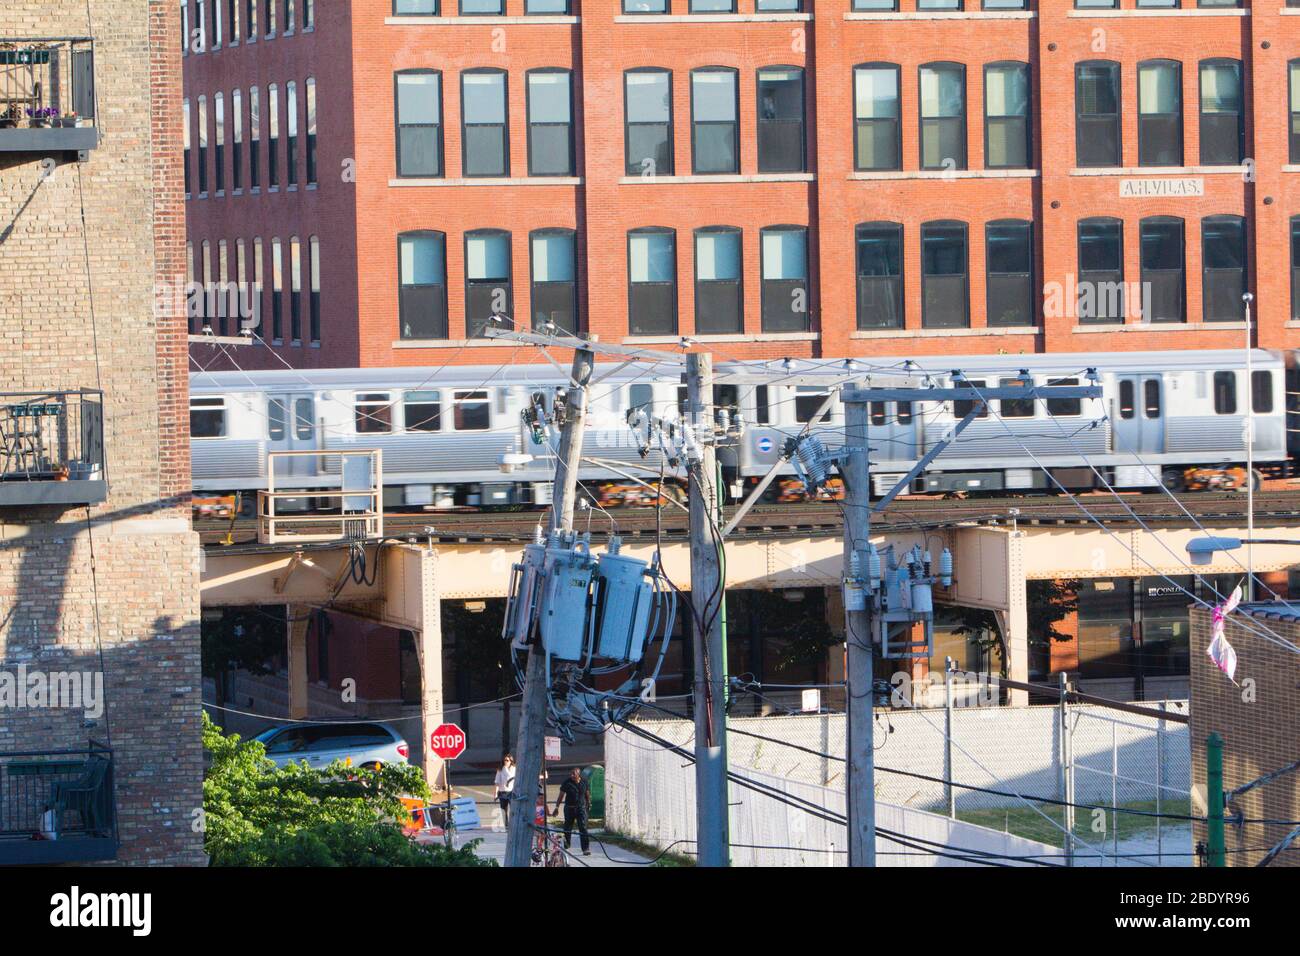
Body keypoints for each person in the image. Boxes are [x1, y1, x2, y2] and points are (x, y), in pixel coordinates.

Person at [552, 766, 591, 856]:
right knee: (567, 828)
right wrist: (557, 807)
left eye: (574, 774)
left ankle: (586, 848)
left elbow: (587, 794)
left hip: (581, 808)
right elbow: (561, 795)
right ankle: (567, 845)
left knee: (583, 828)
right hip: (569, 808)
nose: (572, 775)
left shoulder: (584, 782)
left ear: (578, 775)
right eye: (571, 773)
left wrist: (588, 804)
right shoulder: (567, 782)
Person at [493, 754, 516, 828]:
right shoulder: (501, 769)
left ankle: (513, 824)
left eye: (507, 760)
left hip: (511, 792)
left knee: (513, 809)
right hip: (502, 792)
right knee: (503, 810)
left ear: (511, 761)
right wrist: (495, 794)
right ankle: (506, 825)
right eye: (504, 760)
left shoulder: (515, 769)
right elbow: (497, 782)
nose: (505, 761)